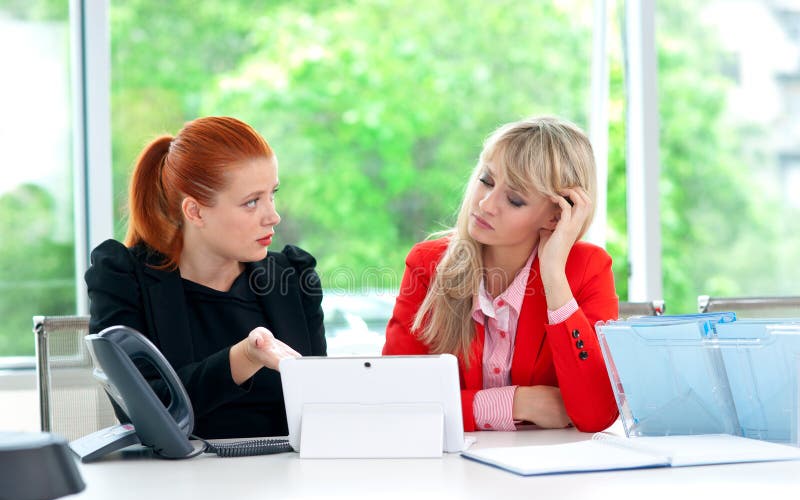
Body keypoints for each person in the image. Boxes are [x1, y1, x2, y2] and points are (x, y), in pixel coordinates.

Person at [85, 116, 325, 439]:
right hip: (175, 473)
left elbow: (318, 407)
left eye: (273, 194)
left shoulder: (294, 277)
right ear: (195, 212)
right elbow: (145, 413)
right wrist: (244, 358)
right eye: (252, 202)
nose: (273, 216)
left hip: (286, 471)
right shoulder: (123, 280)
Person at [382, 116, 618, 433]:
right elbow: (395, 399)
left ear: (555, 217)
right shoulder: (428, 265)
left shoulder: (588, 269)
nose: (486, 204)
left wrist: (554, 277)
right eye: (487, 180)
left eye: (514, 199)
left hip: (550, 463)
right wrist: (516, 403)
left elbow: (596, 413)